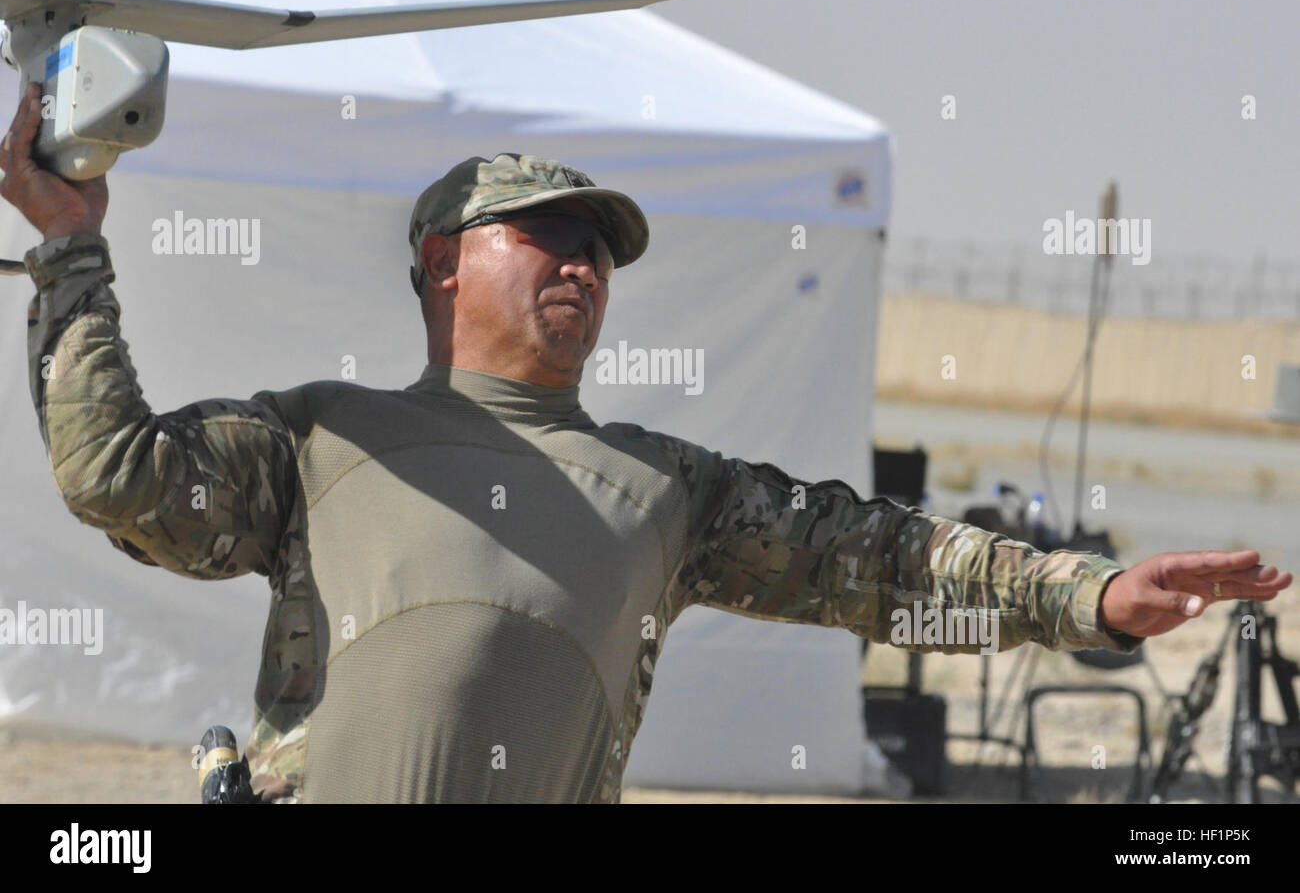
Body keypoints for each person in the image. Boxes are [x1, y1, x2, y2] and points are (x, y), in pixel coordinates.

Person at [1, 82, 1291, 802]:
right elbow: (115, 476)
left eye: (600, 251)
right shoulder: (323, 438)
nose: (583, 265)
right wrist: (69, 251)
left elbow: (889, 565)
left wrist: (1098, 600)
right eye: (546, 235)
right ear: (443, 264)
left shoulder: (667, 489)